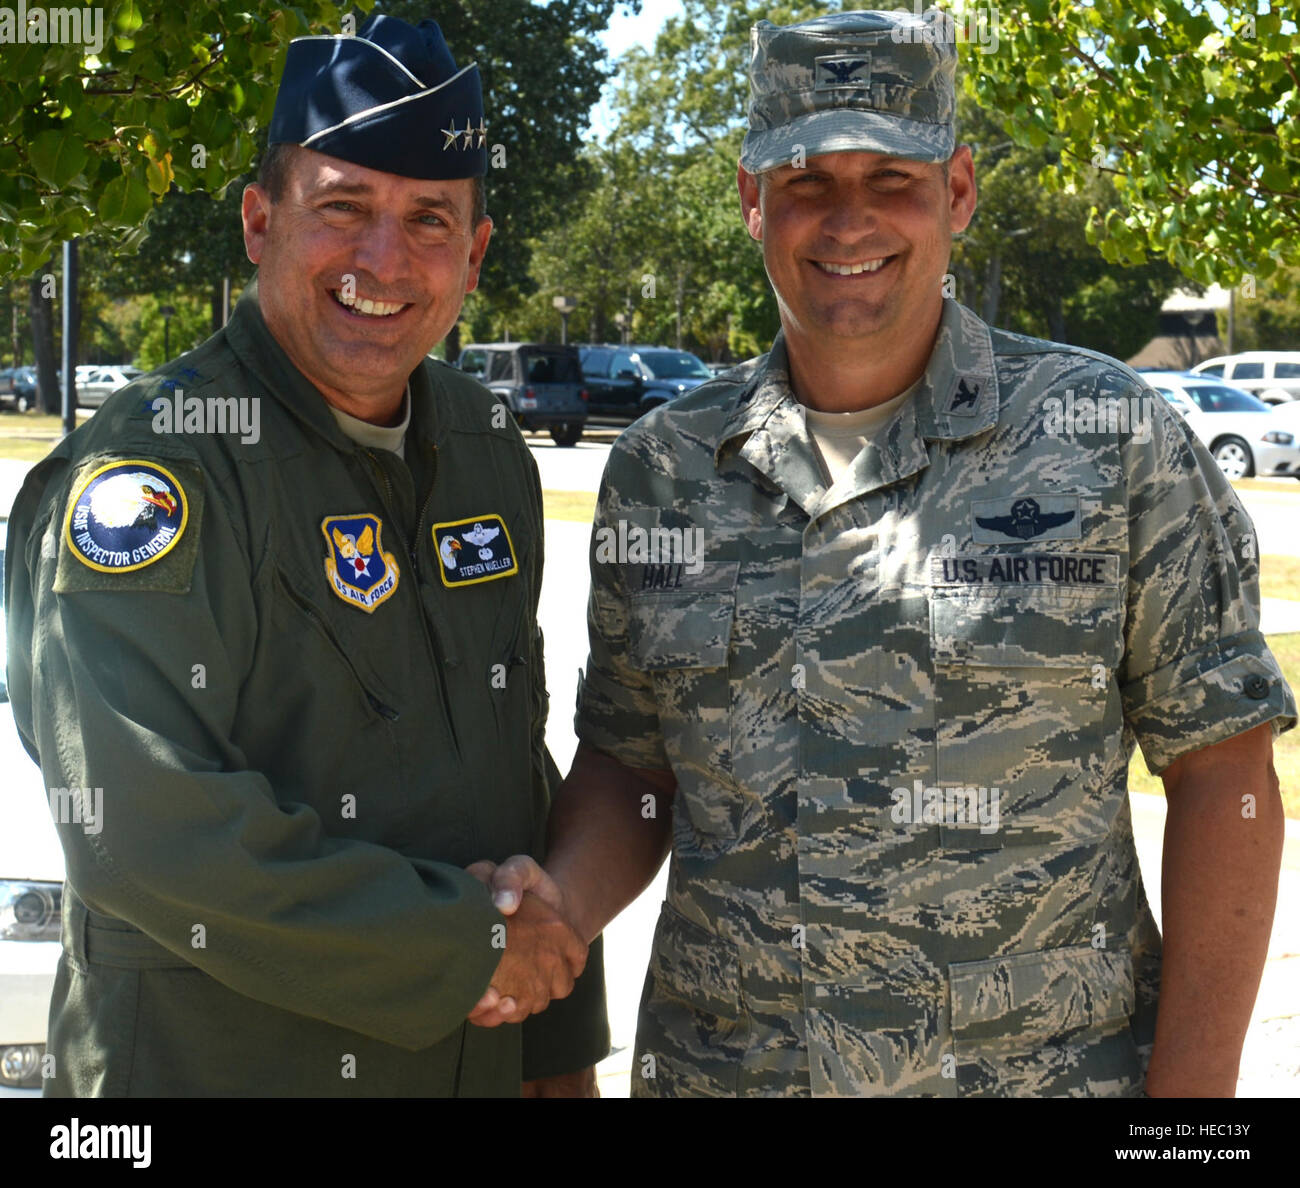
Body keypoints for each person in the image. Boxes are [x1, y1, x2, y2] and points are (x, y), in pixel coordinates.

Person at [475, 9, 1295, 1097]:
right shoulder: (663, 467)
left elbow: (1223, 774)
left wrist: (1189, 1110)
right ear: (750, 200)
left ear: (956, 192)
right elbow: (632, 768)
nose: (847, 219)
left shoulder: (1107, 436)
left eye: (892, 178)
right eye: (806, 179)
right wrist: (560, 909)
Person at [4, 13, 606, 1097]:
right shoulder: (155, 475)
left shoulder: (480, 449)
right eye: (342, 207)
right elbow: (138, 825)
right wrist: (457, 947)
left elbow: (515, 770)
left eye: (429, 219)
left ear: (474, 254)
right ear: (257, 219)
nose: (383, 258)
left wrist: (556, 1046)